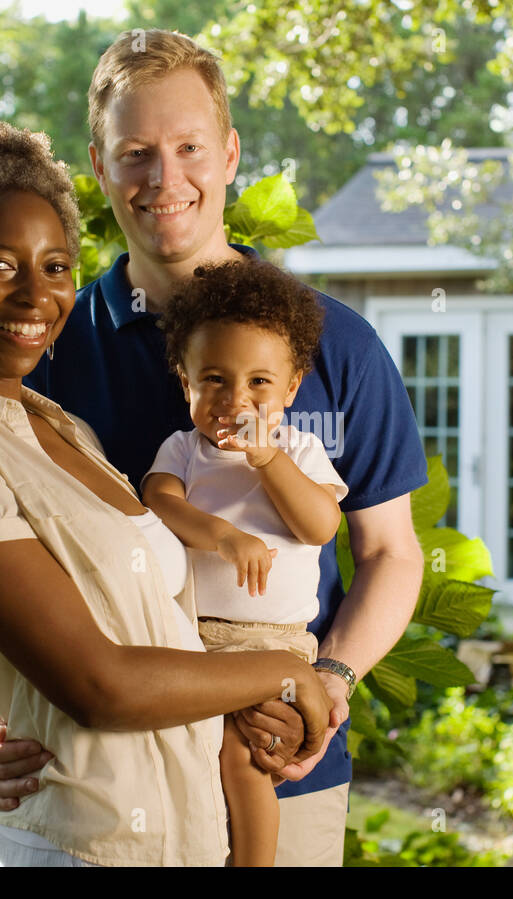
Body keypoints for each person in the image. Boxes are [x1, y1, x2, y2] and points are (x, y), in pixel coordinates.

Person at [0, 29, 428, 866]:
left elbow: (391, 553)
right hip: (97, 784)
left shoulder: (339, 344)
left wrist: (330, 681)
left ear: (230, 153)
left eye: (188, 147)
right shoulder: (48, 351)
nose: (164, 178)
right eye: (135, 152)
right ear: (99, 169)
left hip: (281, 766)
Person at [0, 120, 331, 866]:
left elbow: (126, 625)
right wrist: (282, 673)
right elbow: (99, 684)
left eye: (55, 266)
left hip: (186, 833)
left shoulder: (58, 426)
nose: (35, 293)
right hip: (88, 840)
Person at [142, 258, 348, 865]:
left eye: (259, 383)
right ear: (186, 384)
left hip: (272, 646)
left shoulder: (300, 450)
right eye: (214, 380)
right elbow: (158, 501)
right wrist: (223, 536)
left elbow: (320, 524)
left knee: (246, 755)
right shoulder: (182, 450)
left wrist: (266, 460)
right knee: (183, 759)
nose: (236, 400)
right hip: (190, 642)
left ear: (291, 388)